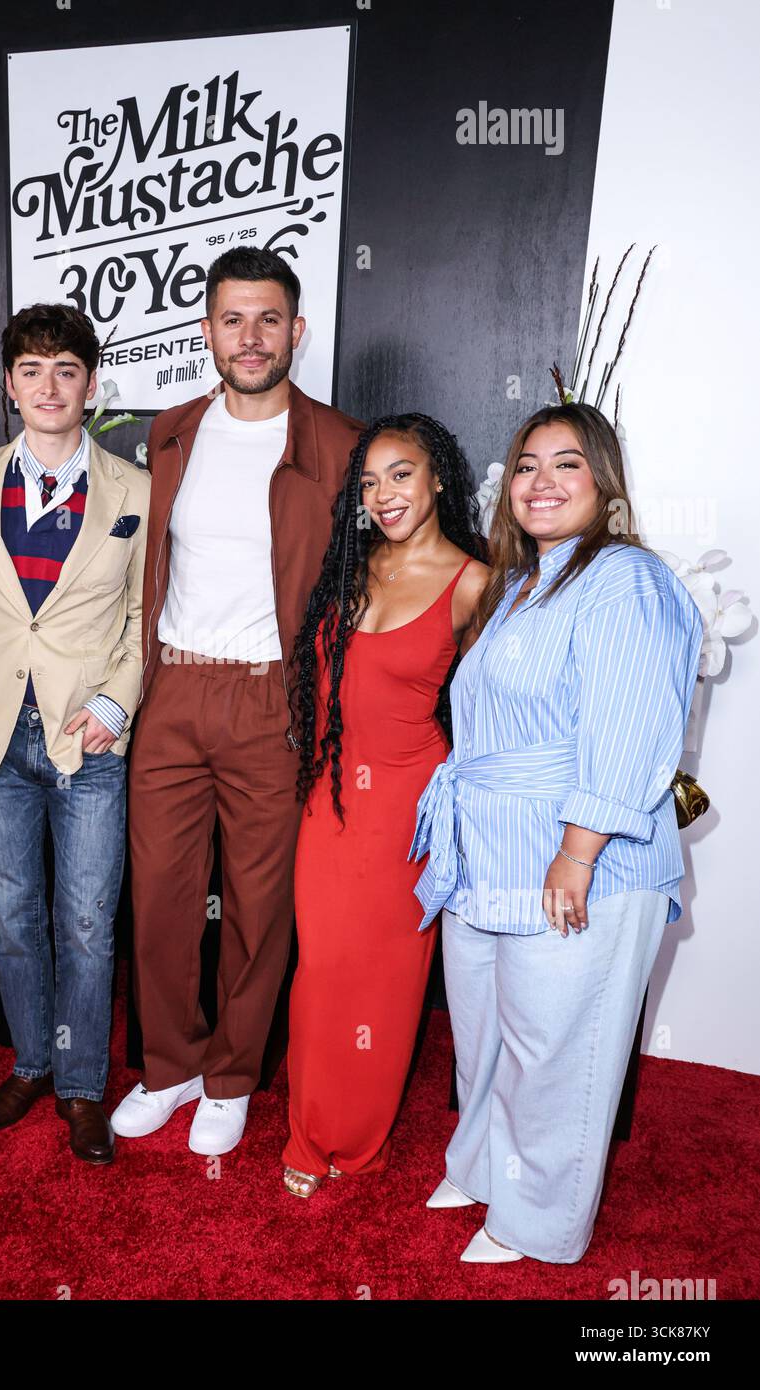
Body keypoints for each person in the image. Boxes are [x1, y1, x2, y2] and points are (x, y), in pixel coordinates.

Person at [410, 403, 703, 1263]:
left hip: (579, 858)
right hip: (488, 852)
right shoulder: (520, 582)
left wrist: (576, 854)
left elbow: (629, 728)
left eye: (565, 464)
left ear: (603, 484)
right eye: (526, 465)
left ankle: (539, 1218)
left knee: (555, 1048)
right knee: (487, 1033)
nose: (540, 482)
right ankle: (481, 1166)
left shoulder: (626, 579)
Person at [110, 247, 363, 1156]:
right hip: (172, 690)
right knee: (163, 898)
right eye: (231, 320)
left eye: (267, 321)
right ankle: (168, 1066)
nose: (249, 338)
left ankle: (231, 1077)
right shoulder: (169, 430)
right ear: (205, 332)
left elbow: (365, 589)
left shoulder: (339, 445)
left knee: (258, 905)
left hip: (270, 701)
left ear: (296, 331)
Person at [0, 304, 149, 1165]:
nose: (47, 385)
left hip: (89, 741)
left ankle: (79, 1088)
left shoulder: (136, 492)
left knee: (85, 923)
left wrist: (117, 704)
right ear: (9, 385)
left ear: (90, 384)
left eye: (65, 370)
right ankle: (30, 1063)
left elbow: (149, 613)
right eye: (30, 370)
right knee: (12, 918)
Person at [281, 415, 489, 1197]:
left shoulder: (474, 582)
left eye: (400, 474)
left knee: (386, 981)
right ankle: (309, 1126)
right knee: (321, 969)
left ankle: (356, 1140)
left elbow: (486, 710)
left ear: (437, 477)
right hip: (330, 800)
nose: (382, 494)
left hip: (407, 807)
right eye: (368, 481)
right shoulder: (352, 563)